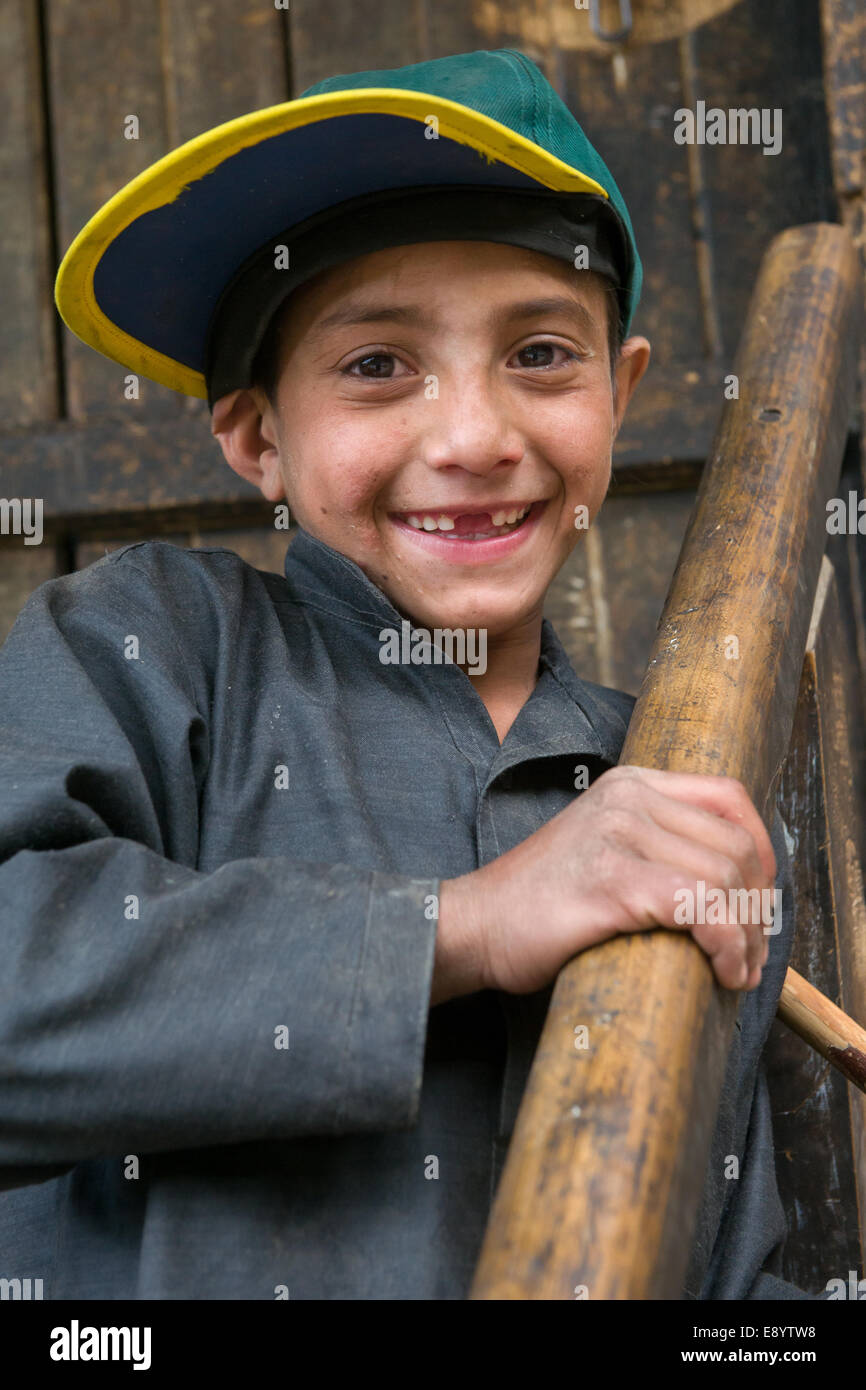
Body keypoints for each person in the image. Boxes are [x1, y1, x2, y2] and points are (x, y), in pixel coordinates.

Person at [0, 47, 817, 1299]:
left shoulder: (680, 800)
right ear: (258, 434)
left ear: (622, 391)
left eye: (541, 353)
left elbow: (728, 1262)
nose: (474, 436)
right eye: (378, 365)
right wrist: (466, 926)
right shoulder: (154, 644)